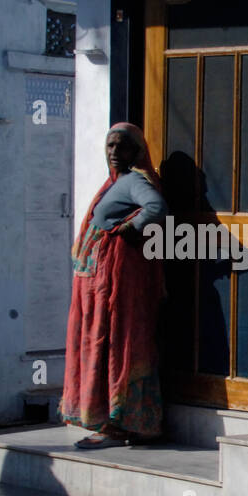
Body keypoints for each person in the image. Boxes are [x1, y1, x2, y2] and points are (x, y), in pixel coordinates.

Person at [60, 123, 167, 448]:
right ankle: (107, 420)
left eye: (122, 147)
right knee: (96, 343)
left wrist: (130, 228)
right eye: (110, 146)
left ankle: (117, 425)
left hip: (114, 287)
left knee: (113, 344)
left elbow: (157, 208)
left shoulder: (134, 181)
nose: (114, 153)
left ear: (137, 152)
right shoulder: (114, 184)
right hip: (96, 284)